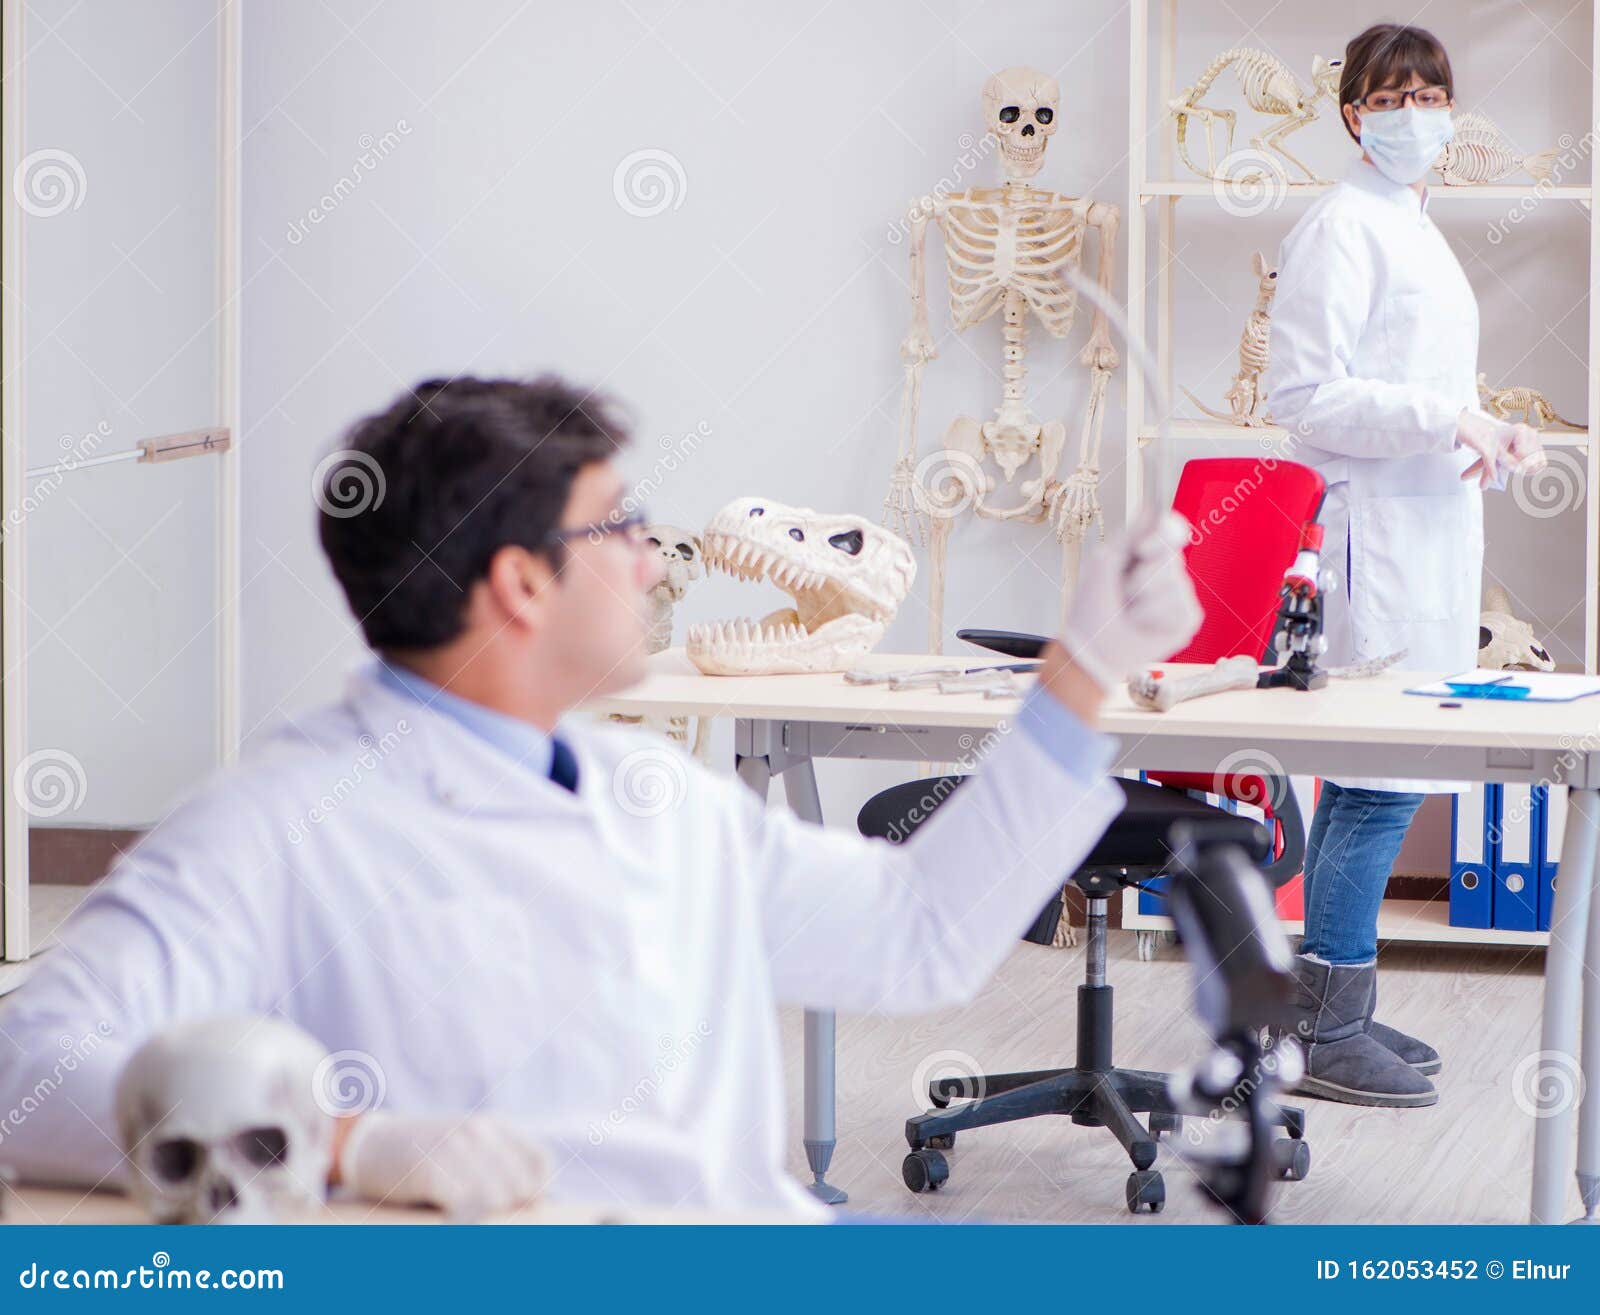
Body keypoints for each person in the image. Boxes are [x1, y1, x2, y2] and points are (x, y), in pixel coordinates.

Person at [0, 375, 1202, 1218]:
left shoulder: (646, 785)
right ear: (520, 583)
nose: (649, 554)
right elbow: (28, 1074)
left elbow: (915, 936)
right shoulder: (281, 821)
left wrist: (1077, 677)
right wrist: (350, 1145)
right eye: (618, 525)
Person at [1264, 23, 1547, 1109]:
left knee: (1367, 781)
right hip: (1372, 536)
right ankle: (1329, 1028)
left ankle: (1332, 1008)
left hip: (1427, 523)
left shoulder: (1415, 225)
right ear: (1352, 114)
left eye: (1432, 93)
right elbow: (1302, 398)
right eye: (1393, 97)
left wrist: (1479, 438)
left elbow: (1422, 390)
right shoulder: (1341, 224)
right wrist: (1447, 417)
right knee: (1379, 787)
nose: (1417, 113)